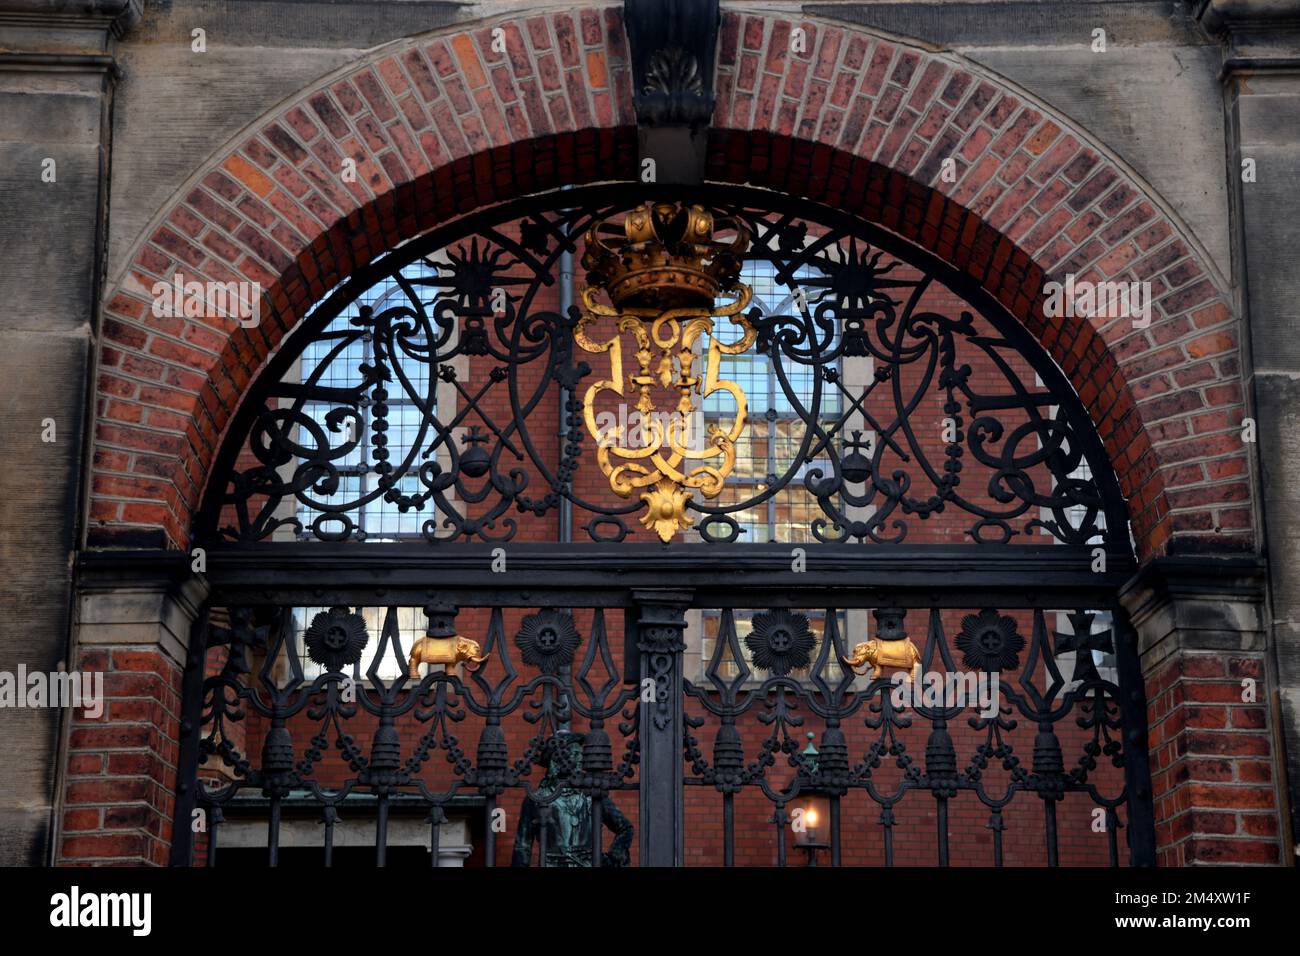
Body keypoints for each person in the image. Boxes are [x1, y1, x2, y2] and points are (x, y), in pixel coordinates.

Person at [510, 730, 633, 867]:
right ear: (556, 759)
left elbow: (625, 828)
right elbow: (522, 846)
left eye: (581, 754)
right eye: (575, 754)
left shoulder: (592, 796)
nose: (580, 758)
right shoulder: (536, 799)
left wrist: (611, 858)